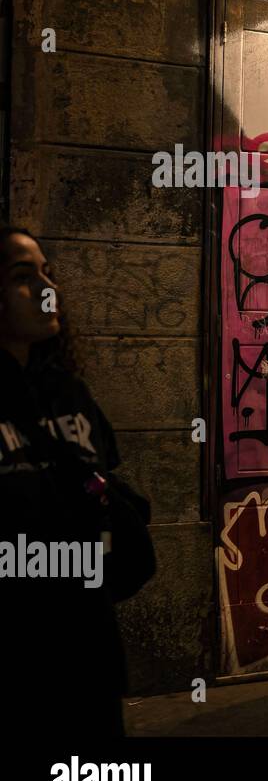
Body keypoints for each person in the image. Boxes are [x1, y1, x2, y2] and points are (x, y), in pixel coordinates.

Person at [0, 225, 155, 736]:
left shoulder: (66, 391)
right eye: (23, 276)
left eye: (48, 272)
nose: (48, 288)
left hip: (87, 650)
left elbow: (101, 481)